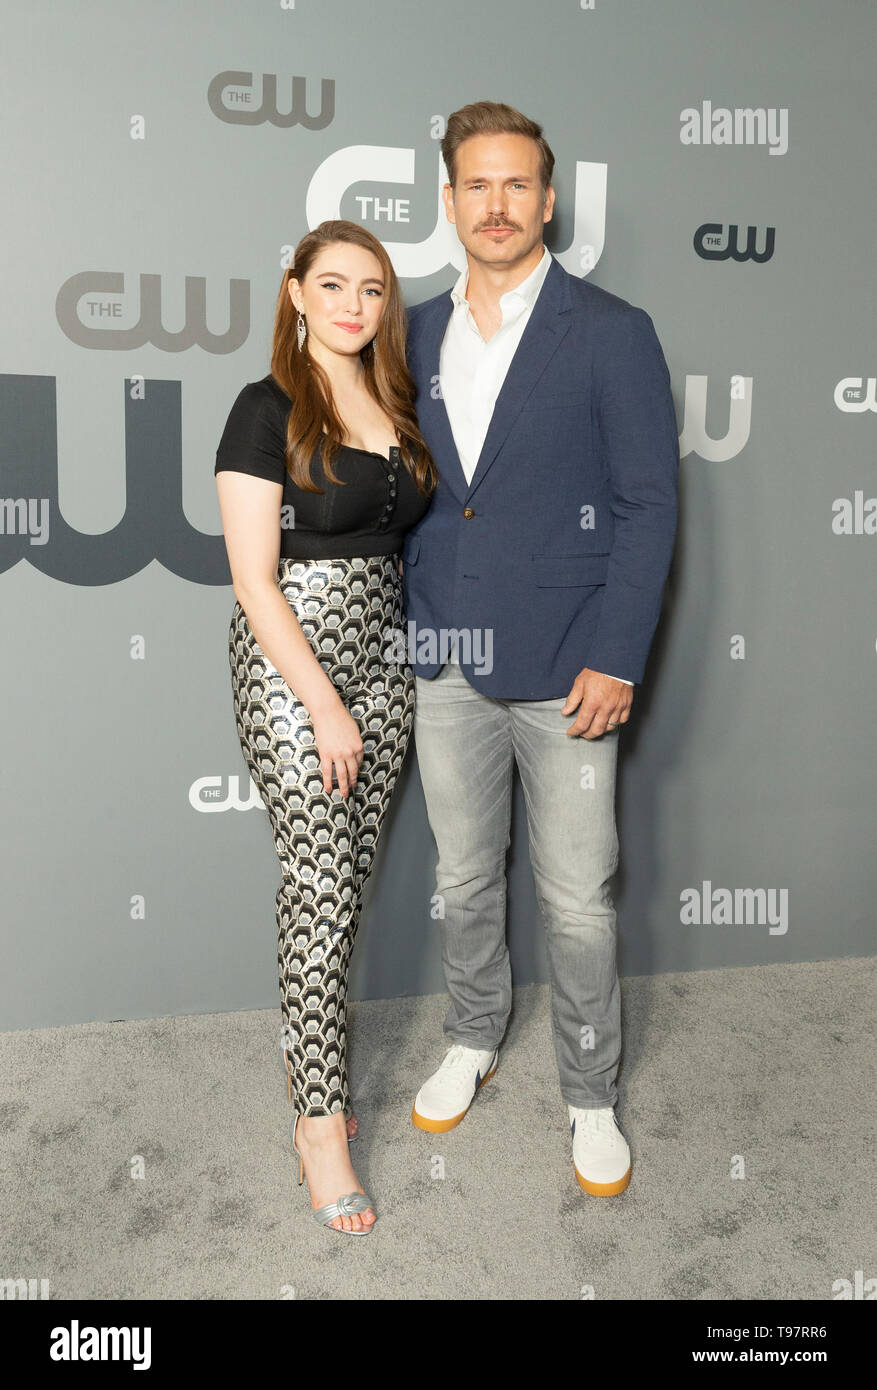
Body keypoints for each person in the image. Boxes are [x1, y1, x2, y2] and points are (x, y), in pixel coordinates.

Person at [402, 101, 679, 1196]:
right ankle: (474, 1032)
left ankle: (589, 1089)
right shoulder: (412, 331)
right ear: (450, 200)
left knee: (574, 895)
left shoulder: (611, 329)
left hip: (570, 664)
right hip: (444, 660)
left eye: (517, 184)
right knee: (466, 878)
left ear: (548, 199)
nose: (498, 204)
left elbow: (647, 505)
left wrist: (615, 656)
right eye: (477, 184)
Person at [214, 221, 436, 1233]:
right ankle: (318, 1126)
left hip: (384, 660)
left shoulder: (394, 400)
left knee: (347, 882)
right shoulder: (266, 408)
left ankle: (316, 1088)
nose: (354, 304)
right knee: (319, 891)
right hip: (292, 665)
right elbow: (255, 580)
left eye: (374, 289)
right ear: (295, 291)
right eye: (334, 284)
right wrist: (323, 702)